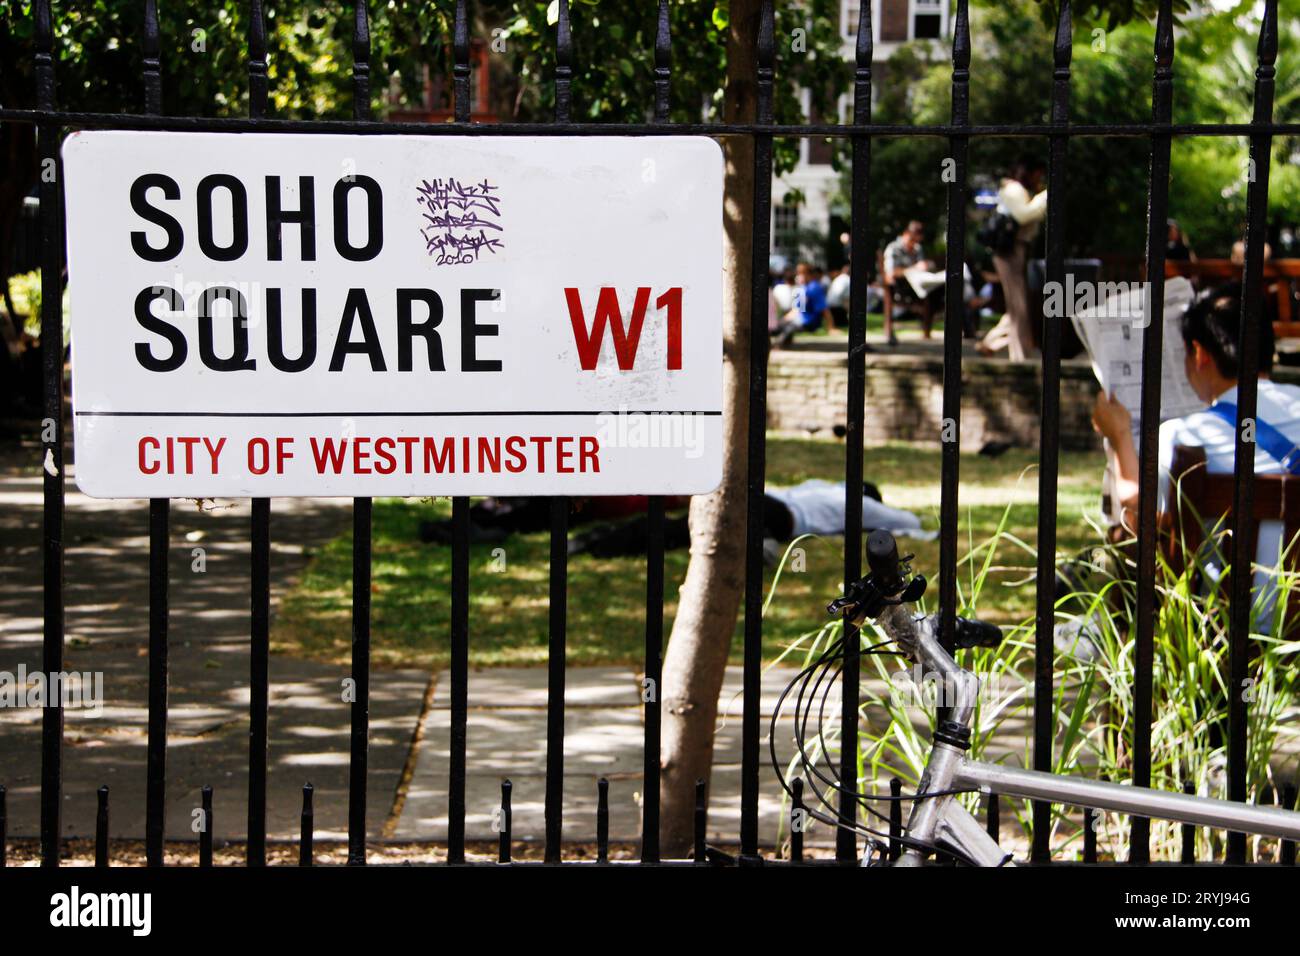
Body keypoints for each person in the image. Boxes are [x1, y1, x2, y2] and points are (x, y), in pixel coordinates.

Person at [1090, 284, 1298, 617]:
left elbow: (1135, 512)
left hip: (1225, 635)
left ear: (1199, 355)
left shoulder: (1183, 436)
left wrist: (1118, 437)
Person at [978, 158, 1047, 361]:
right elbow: (1022, 215)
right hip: (1009, 252)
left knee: (1019, 303)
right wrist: (1045, 197)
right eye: (1038, 174)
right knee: (1018, 304)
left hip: (1018, 250)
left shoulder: (1018, 190)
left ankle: (992, 343)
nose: (1040, 178)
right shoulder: (1013, 189)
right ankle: (1019, 355)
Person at [881, 221, 937, 344]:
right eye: (913, 240)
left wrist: (927, 266)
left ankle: (927, 331)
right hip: (900, 287)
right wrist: (913, 268)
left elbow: (921, 267)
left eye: (917, 240)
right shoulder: (894, 248)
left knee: (937, 289)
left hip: (919, 286)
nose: (915, 244)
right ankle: (889, 333)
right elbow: (890, 273)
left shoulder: (918, 249)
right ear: (906, 234)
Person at [774, 262, 832, 347]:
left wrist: (831, 327)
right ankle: (784, 343)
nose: (798, 275)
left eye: (801, 273)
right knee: (780, 324)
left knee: (790, 327)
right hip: (800, 319)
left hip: (810, 321)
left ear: (808, 273)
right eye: (798, 272)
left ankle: (780, 345)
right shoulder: (802, 288)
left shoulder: (814, 287)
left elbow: (824, 309)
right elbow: (797, 309)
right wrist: (784, 319)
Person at [826, 263, 851, 332]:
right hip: (837, 309)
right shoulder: (848, 280)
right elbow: (845, 300)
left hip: (830, 307)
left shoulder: (839, 278)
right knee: (849, 325)